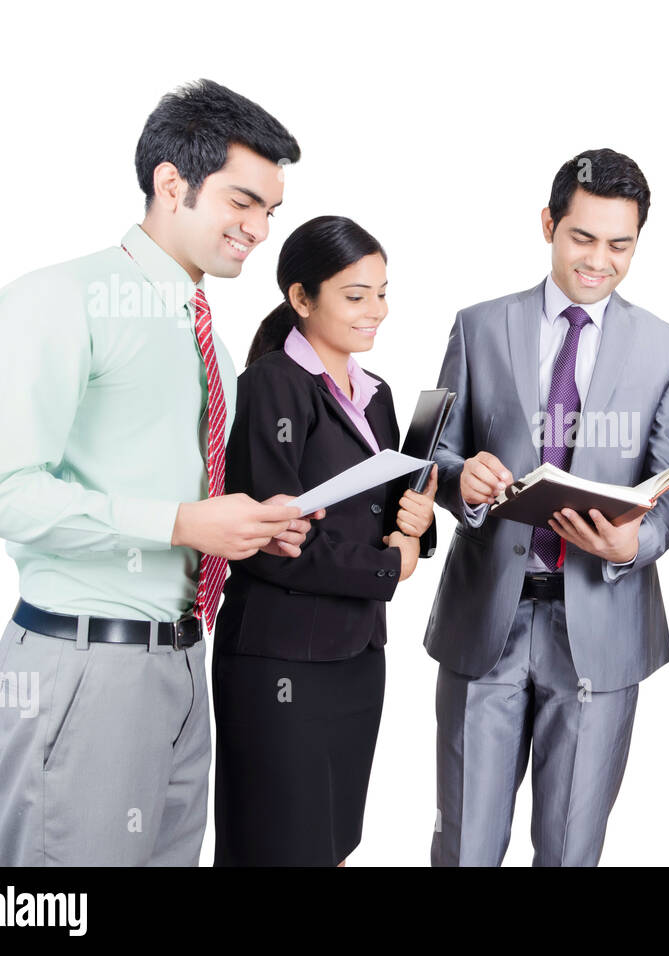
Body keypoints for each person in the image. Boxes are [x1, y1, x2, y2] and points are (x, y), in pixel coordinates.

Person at [0, 79, 309, 866]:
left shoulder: (206, 339)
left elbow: (180, 491)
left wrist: (247, 525)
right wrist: (185, 523)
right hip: (86, 667)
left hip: (186, 665)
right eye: (242, 202)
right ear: (171, 182)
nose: (258, 230)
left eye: (270, 213)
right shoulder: (60, 299)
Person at [425, 147, 669, 866]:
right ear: (548, 224)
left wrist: (631, 546)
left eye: (620, 244)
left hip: (602, 623)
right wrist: (461, 483)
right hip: (487, 617)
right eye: (582, 237)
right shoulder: (474, 325)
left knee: (572, 848)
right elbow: (429, 451)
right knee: (465, 843)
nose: (599, 260)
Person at [211, 216, 437, 867]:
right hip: (281, 656)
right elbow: (271, 543)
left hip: (357, 651)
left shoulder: (377, 394)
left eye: (382, 292)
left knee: (333, 841)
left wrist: (420, 530)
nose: (376, 311)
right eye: (355, 294)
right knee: (280, 844)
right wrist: (390, 567)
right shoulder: (271, 386)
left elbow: (387, 510)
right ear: (301, 299)